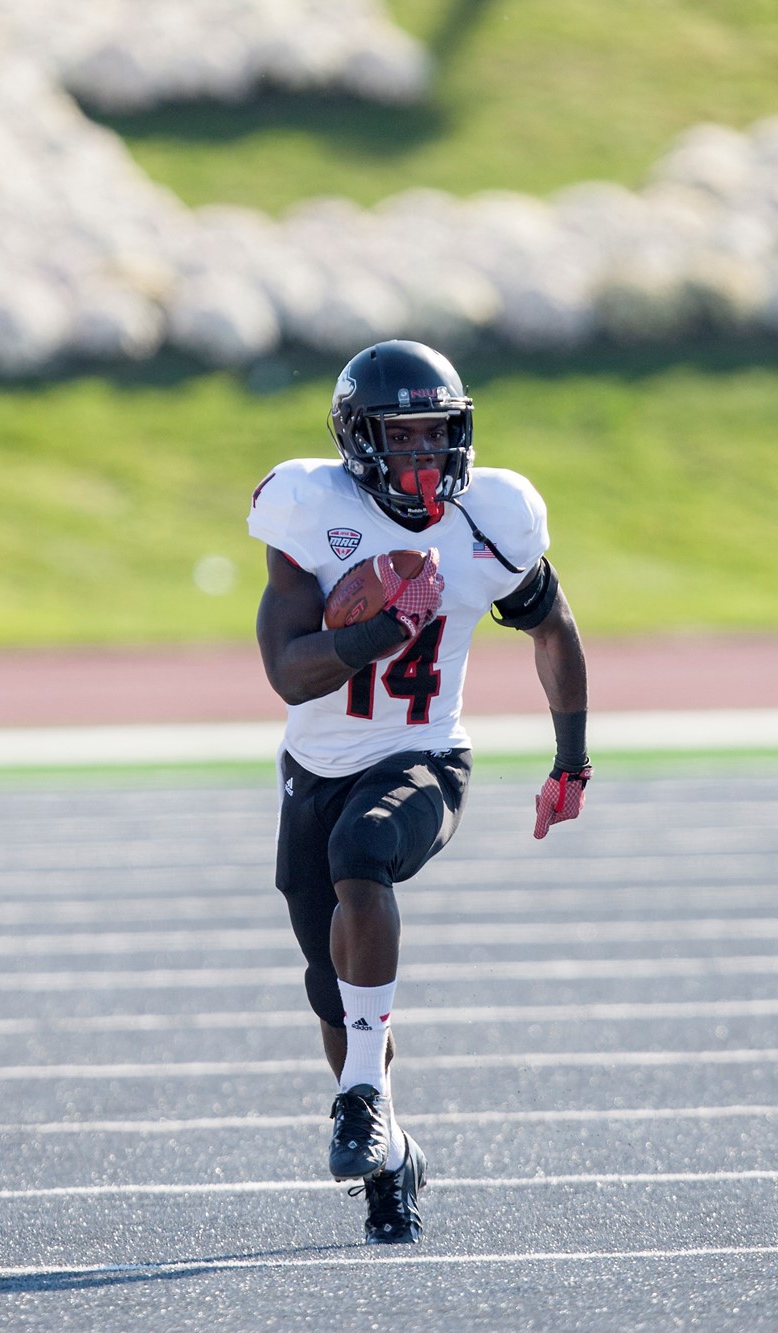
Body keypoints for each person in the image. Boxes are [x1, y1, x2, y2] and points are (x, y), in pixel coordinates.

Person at [247, 339, 592, 1244]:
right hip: (315, 768)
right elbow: (288, 671)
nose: (422, 455)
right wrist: (380, 631)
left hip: (427, 755)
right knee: (332, 988)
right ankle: (391, 1154)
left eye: (436, 434)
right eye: (400, 437)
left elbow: (552, 626)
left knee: (363, 852)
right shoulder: (312, 510)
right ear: (358, 441)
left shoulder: (491, 517)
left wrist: (571, 758)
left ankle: (363, 1092)